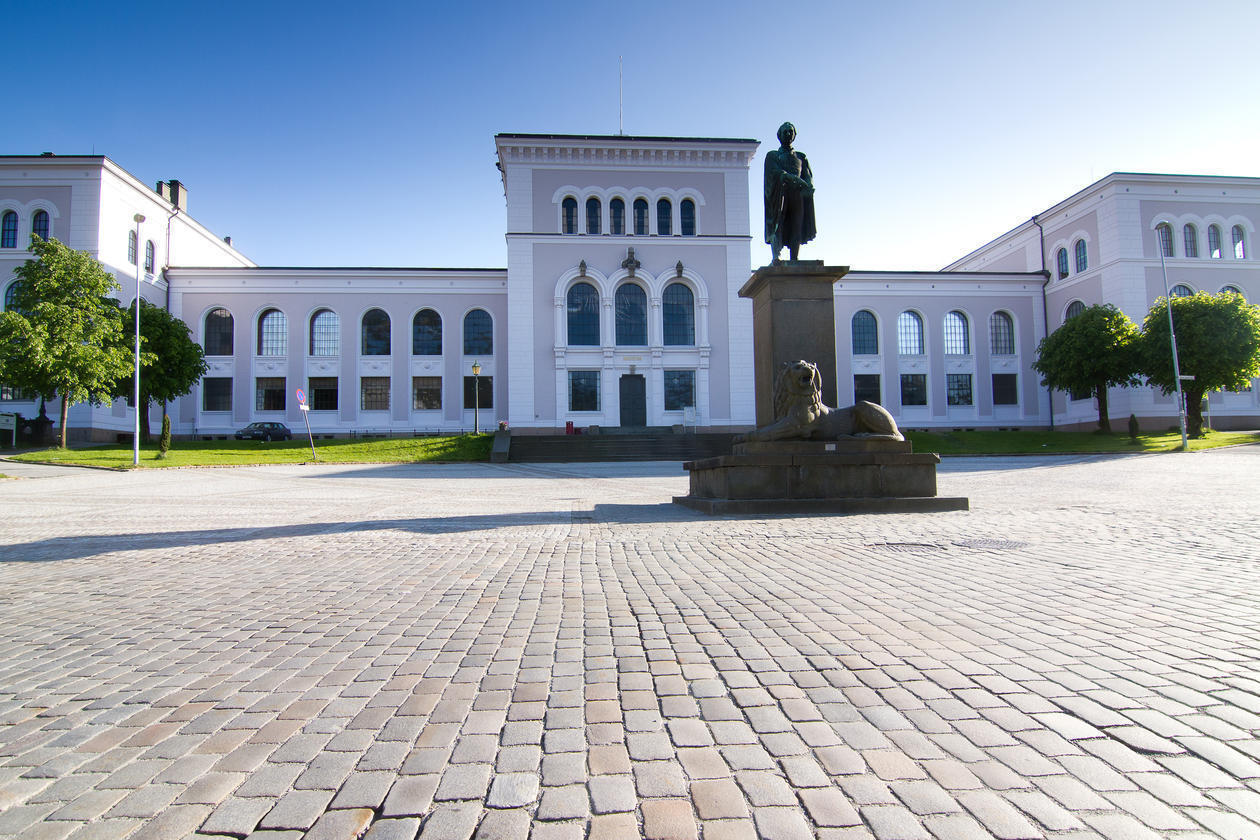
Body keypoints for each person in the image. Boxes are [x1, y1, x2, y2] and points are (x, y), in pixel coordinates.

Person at [764, 122, 817, 262]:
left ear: (794, 135)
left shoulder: (801, 157)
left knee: (797, 226)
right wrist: (790, 177)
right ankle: (777, 256)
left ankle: (795, 258)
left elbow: (807, 175)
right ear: (779, 135)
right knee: (777, 224)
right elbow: (773, 172)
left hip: (798, 196)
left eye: (790, 132)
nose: (788, 134)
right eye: (785, 132)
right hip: (780, 194)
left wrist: (809, 186)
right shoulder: (773, 156)